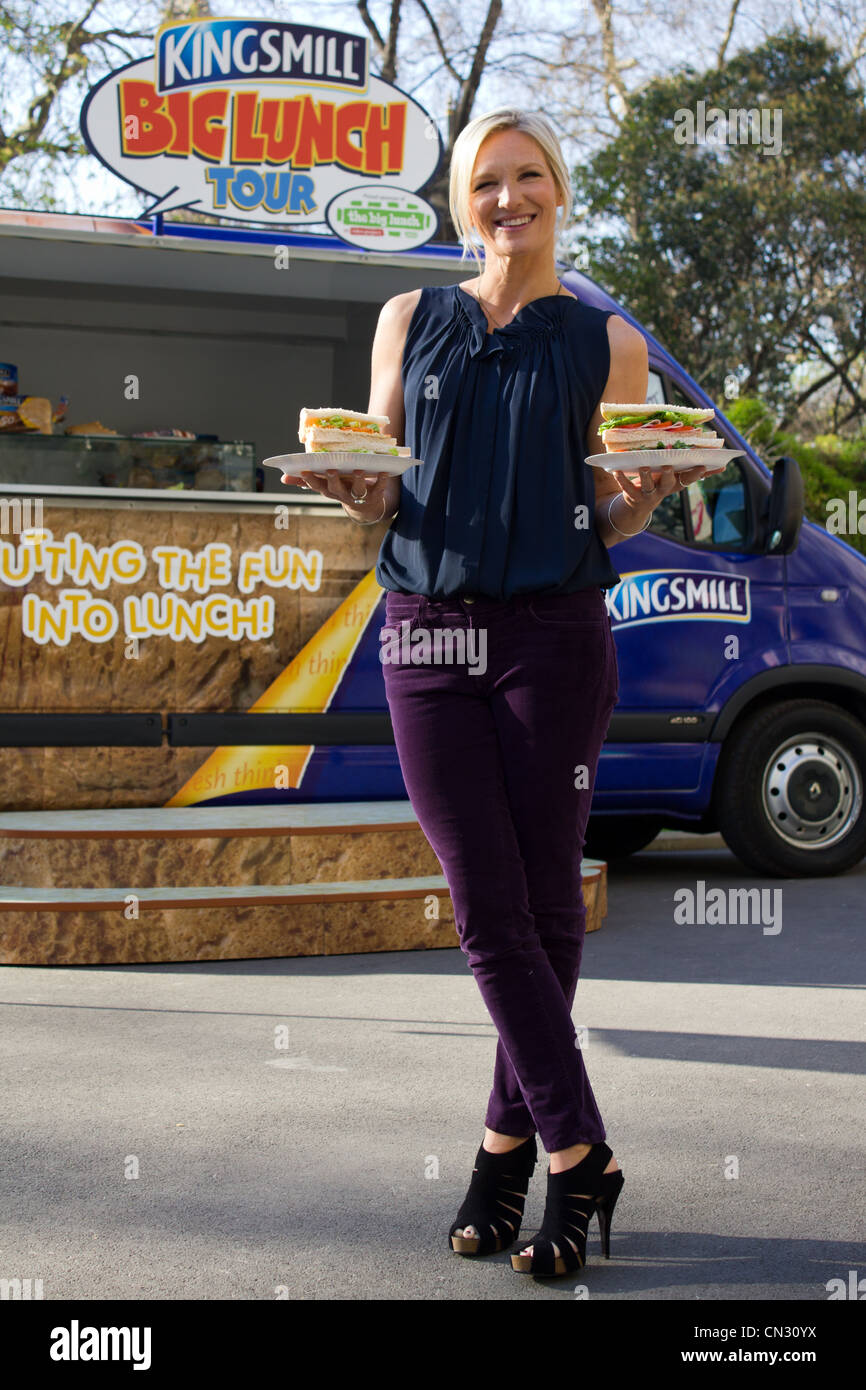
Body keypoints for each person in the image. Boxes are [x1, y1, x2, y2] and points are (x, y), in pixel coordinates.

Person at [283, 107, 714, 1279]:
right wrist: (348, 489)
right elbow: (385, 489)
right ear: (461, 199)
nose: (506, 198)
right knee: (486, 906)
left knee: (538, 902)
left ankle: (501, 1158)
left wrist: (648, 495)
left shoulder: (603, 341)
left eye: (528, 178)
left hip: (554, 638)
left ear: (558, 192)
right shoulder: (406, 318)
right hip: (423, 636)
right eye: (486, 181)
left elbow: (607, 515)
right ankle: (580, 1153)